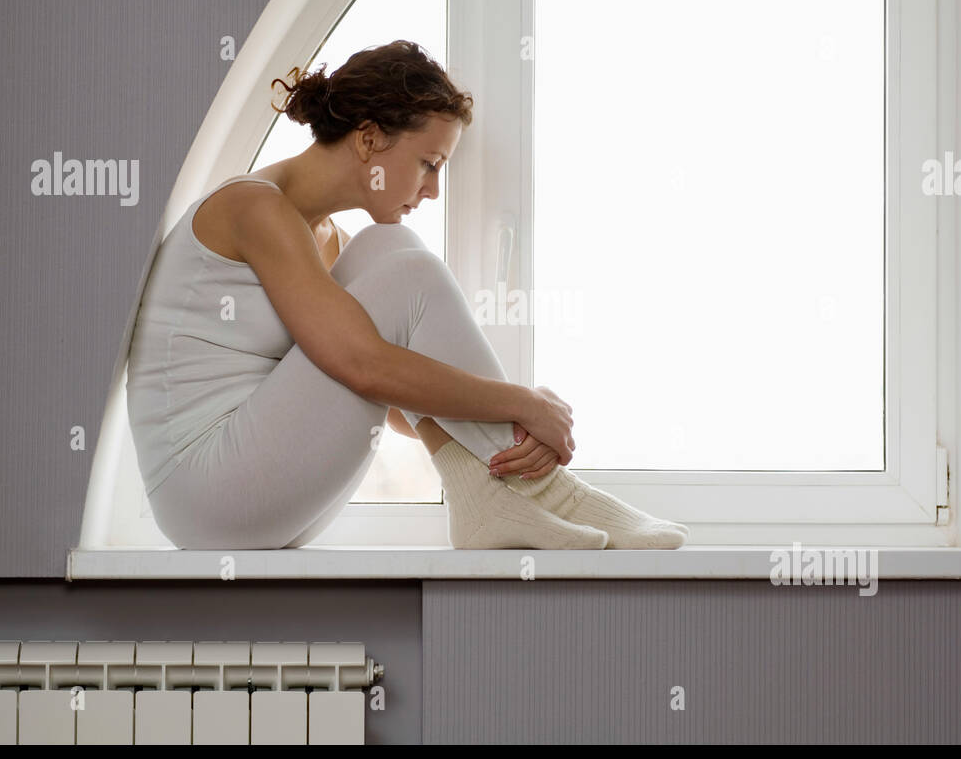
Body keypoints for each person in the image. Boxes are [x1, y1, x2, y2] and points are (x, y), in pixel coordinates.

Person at [126, 39, 688, 551]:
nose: (433, 189)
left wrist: (513, 417)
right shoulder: (254, 207)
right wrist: (523, 405)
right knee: (405, 271)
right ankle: (549, 494)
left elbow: (396, 406)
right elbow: (360, 366)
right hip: (206, 491)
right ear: (370, 138)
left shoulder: (331, 244)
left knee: (387, 249)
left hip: (262, 491)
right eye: (429, 163)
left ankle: (488, 498)